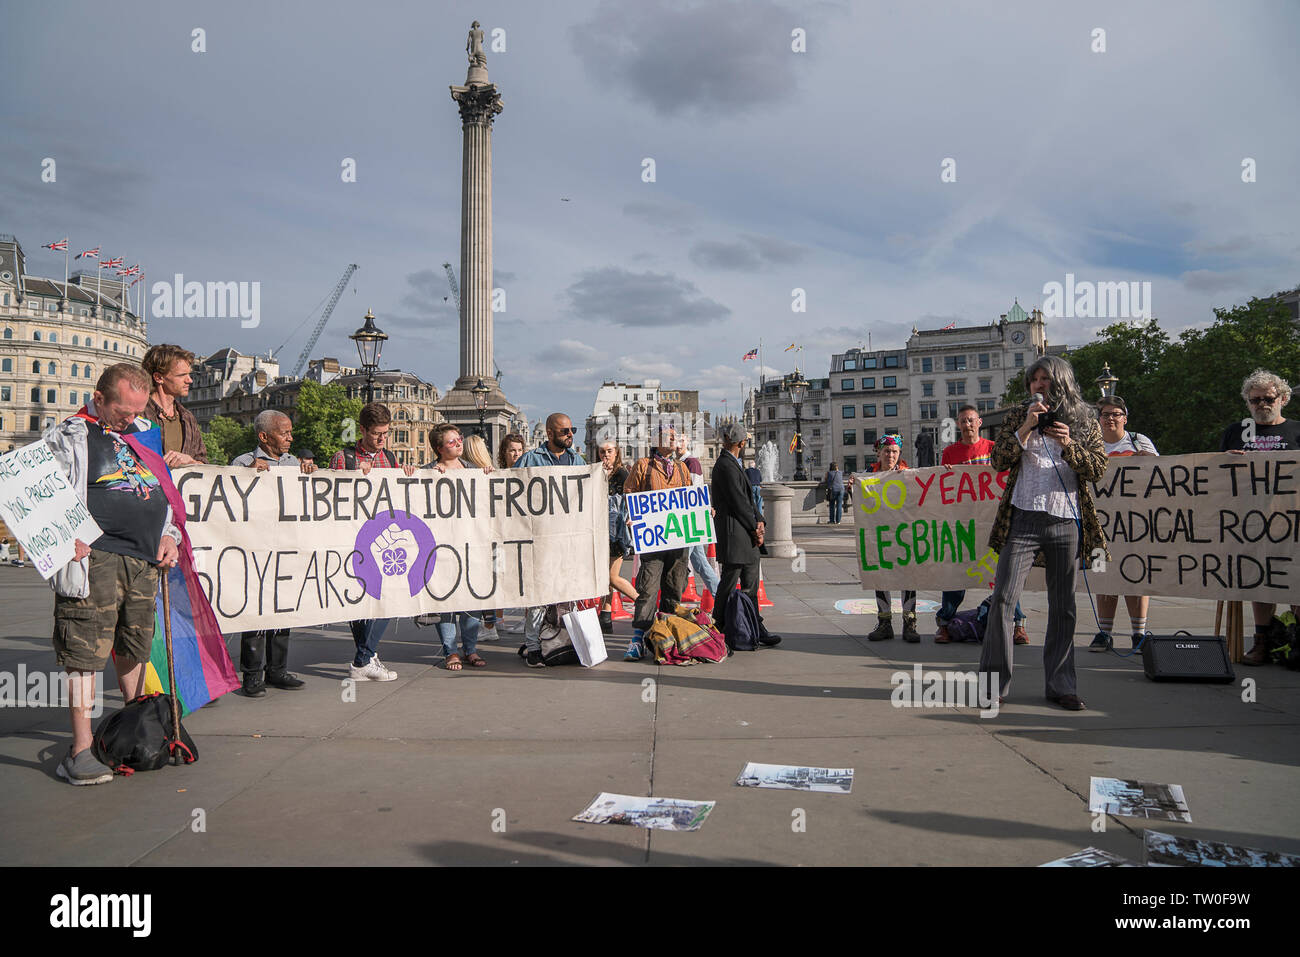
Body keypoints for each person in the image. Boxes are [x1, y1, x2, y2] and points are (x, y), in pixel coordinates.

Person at [44, 363, 181, 785]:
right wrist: (61, 534)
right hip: (95, 557)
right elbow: (37, 495)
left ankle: (131, 733)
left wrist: (170, 535)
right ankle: (80, 750)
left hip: (143, 560)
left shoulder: (143, 434)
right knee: (85, 652)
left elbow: (165, 492)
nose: (130, 419)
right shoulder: (68, 434)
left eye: (138, 410)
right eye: (123, 410)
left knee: (133, 646)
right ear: (99, 398)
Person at [979, 355, 1109, 711]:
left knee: (1063, 606)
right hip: (1022, 519)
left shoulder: (1084, 419)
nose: (1039, 384)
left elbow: (1097, 468)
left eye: (1046, 379)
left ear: (1061, 381)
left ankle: (1061, 685)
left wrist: (1069, 444)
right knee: (1003, 600)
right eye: (1034, 379)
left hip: (1065, 520)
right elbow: (998, 461)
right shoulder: (1016, 416)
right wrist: (1024, 428)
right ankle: (994, 686)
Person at [328, 402, 417, 681]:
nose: (382, 439)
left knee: (389, 599)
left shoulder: (389, 458)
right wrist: (353, 477)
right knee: (359, 605)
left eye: (386, 433)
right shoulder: (344, 458)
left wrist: (408, 475)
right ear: (362, 430)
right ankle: (366, 658)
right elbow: (329, 496)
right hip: (351, 540)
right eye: (377, 433)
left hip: (382, 541)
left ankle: (363, 658)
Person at [228, 410, 315, 695]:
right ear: (264, 437)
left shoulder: (294, 464)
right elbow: (229, 500)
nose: (290, 438)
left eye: (290, 432)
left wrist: (313, 476)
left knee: (282, 608)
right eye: (284, 433)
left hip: (287, 545)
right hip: (255, 547)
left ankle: (277, 670)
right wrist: (246, 476)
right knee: (256, 611)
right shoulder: (242, 462)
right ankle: (252, 674)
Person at [1219, 370, 1300, 665]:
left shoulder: (1296, 431)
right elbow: (1216, 477)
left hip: (1293, 521)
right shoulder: (1235, 431)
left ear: (1283, 399)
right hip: (1251, 522)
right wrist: (1223, 461)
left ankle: (1295, 639)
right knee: (1259, 578)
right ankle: (1262, 640)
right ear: (1247, 402)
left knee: (1295, 578)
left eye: (1268, 398)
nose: (1262, 404)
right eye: (1255, 400)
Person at [935, 405, 1029, 645]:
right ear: (958, 425)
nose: (967, 425)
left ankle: (1018, 624)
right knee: (955, 573)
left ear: (979, 421)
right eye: (963, 421)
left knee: (1004, 573)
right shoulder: (950, 453)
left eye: (971, 420)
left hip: (994, 521)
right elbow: (941, 486)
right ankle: (944, 624)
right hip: (963, 523)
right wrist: (944, 474)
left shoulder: (993, 449)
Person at [516, 413, 586, 667]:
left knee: (569, 593)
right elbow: (510, 489)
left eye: (572, 430)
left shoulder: (577, 460)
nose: (570, 435)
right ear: (549, 433)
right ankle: (534, 647)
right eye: (565, 431)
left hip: (568, 537)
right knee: (539, 595)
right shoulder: (531, 459)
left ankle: (567, 642)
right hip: (540, 536)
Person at [1089, 395, 1158, 652]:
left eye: (1116, 413)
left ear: (1125, 418)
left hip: (1135, 522)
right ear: (1099, 420)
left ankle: (1138, 633)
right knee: (1104, 575)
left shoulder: (1140, 442)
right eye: (1105, 414)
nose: (1110, 418)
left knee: (1135, 574)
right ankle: (1104, 632)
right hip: (1101, 522)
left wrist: (1147, 461)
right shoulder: (1092, 446)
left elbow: (1161, 477)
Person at [622, 424, 693, 661]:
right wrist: (633, 513)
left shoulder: (683, 468)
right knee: (648, 587)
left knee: (675, 586)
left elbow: (690, 498)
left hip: (678, 539)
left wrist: (704, 511)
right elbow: (629, 491)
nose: (673, 440)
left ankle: (667, 633)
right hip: (654, 540)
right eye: (668, 436)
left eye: (675, 437)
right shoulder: (643, 466)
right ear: (656, 439)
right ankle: (637, 638)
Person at [425, 424, 488, 669]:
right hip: (442, 546)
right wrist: (423, 475)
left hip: (470, 543)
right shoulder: (429, 471)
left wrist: (488, 477)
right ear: (439, 448)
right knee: (447, 599)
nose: (459, 443)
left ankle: (470, 648)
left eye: (459, 439)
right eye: (452, 442)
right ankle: (451, 650)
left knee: (473, 598)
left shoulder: (473, 470)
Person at [712, 423, 780, 648]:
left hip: (745, 535)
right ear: (742, 443)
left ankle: (755, 626)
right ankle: (718, 626)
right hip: (735, 535)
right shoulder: (724, 465)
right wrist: (755, 526)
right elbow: (738, 501)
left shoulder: (733, 463)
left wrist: (760, 520)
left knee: (750, 585)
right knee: (729, 584)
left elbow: (749, 499)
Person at [866, 435, 920, 642]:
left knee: (908, 577)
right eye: (887, 451)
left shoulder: (908, 474)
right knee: (880, 576)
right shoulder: (868, 476)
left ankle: (910, 623)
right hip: (879, 534)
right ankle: (884, 622)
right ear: (879, 453)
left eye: (894, 451)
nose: (890, 455)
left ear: (899, 454)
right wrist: (853, 486)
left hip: (904, 533)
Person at [142, 344, 208, 467]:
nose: (189, 380)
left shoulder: (188, 418)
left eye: (189, 374)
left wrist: (191, 461)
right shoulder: (138, 414)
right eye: (182, 375)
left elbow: (203, 462)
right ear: (159, 377)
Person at [674, 432, 722, 600]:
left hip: (692, 520)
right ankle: (721, 596)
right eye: (675, 441)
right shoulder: (678, 463)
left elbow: (693, 493)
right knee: (699, 563)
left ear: (687, 442)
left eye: (681, 441)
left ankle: (673, 598)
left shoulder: (691, 463)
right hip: (689, 519)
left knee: (680, 561)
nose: (678, 445)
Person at [598, 440, 639, 634]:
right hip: (602, 530)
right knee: (606, 576)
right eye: (602, 452)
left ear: (617, 453)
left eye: (609, 451)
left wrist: (632, 516)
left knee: (611, 576)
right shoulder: (598, 473)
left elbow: (633, 497)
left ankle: (643, 604)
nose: (605, 455)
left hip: (617, 532)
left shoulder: (622, 474)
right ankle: (605, 617)